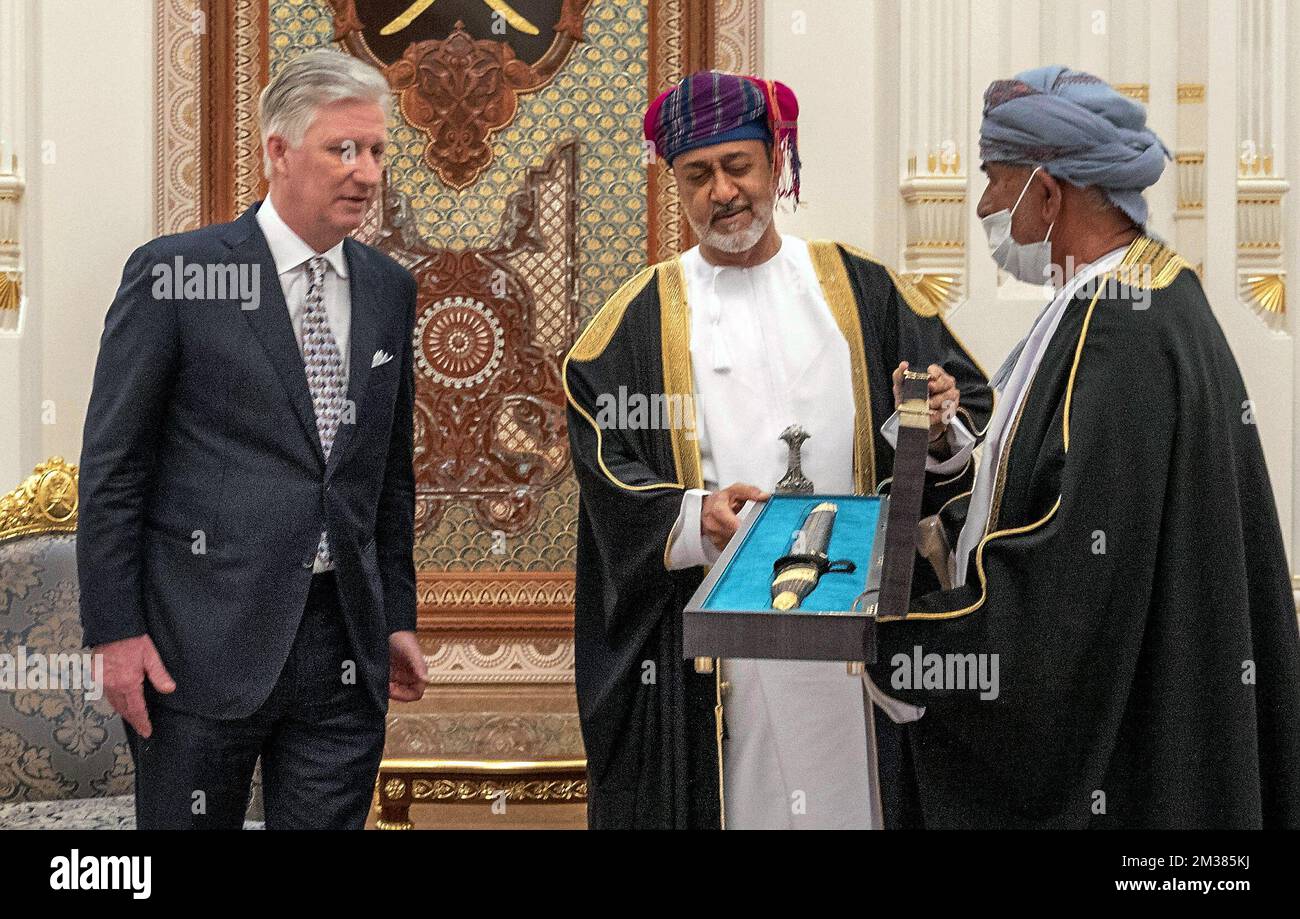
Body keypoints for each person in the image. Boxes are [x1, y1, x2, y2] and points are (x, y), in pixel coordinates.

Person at [872, 65, 1300, 828]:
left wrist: (915, 653)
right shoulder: (1139, 294)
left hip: (1127, 763)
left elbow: (1067, 585)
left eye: (995, 182)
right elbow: (1047, 487)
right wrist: (947, 452)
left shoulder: (1120, 331)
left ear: (1047, 192)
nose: (983, 206)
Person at [564, 70, 993, 829]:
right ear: (675, 185)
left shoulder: (862, 291)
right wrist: (699, 516)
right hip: (725, 651)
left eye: (739, 166)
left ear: (777, 163)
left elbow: (961, 429)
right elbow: (605, 464)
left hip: (857, 635)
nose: (723, 191)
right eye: (698, 175)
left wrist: (931, 425)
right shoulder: (633, 324)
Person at [77, 49, 428, 830]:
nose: (367, 172)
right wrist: (113, 633)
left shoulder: (388, 287)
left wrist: (397, 614)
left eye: (375, 151)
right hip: (195, 650)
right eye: (344, 149)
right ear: (278, 151)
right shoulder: (177, 272)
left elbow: (387, 475)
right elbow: (112, 471)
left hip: (344, 651)